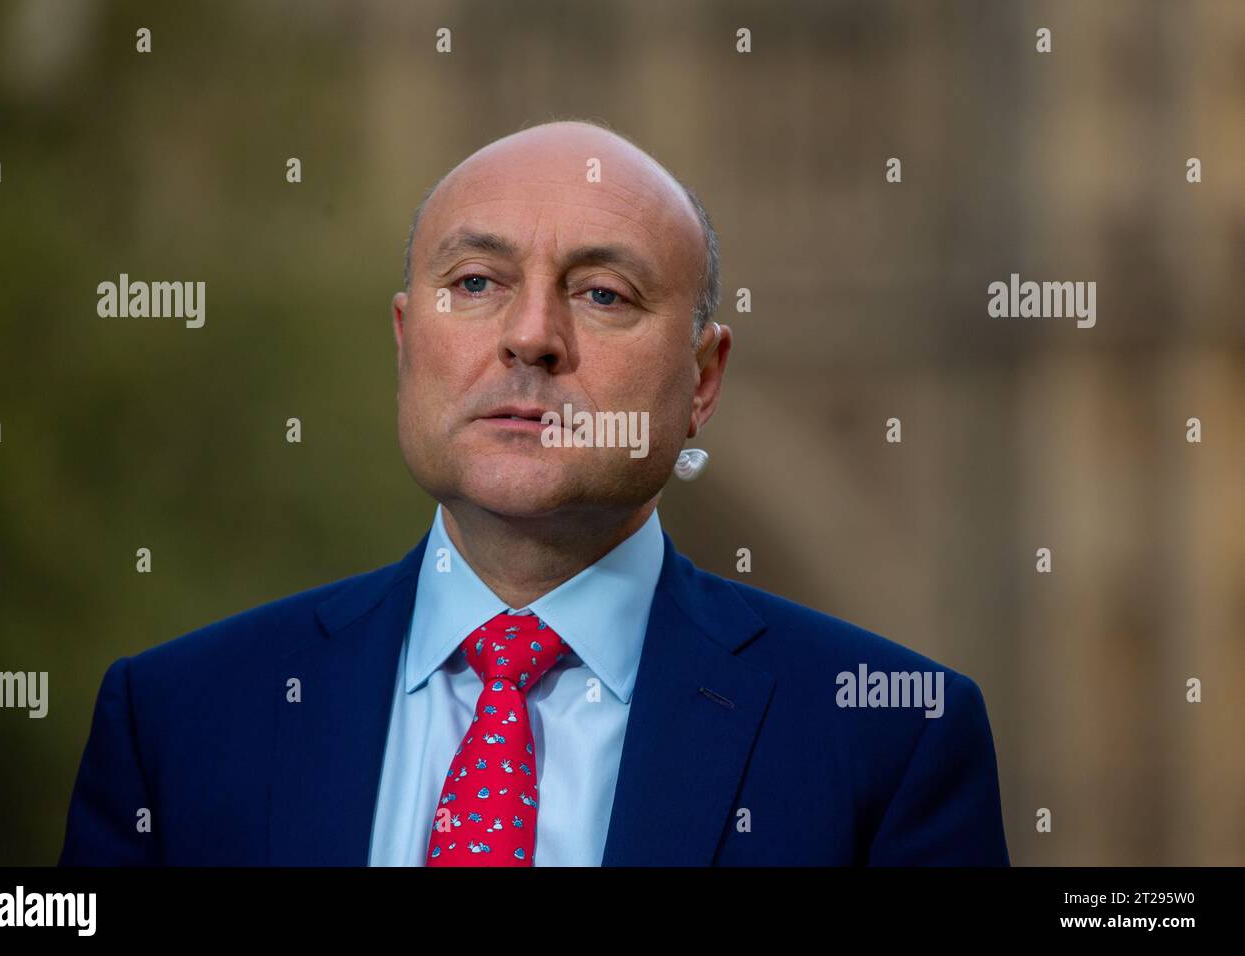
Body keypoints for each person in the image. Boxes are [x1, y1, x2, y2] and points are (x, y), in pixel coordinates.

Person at [59, 119, 1010, 866]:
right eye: (475, 282)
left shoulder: (892, 738)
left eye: (603, 294)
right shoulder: (175, 723)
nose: (531, 336)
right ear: (404, 344)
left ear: (703, 380)